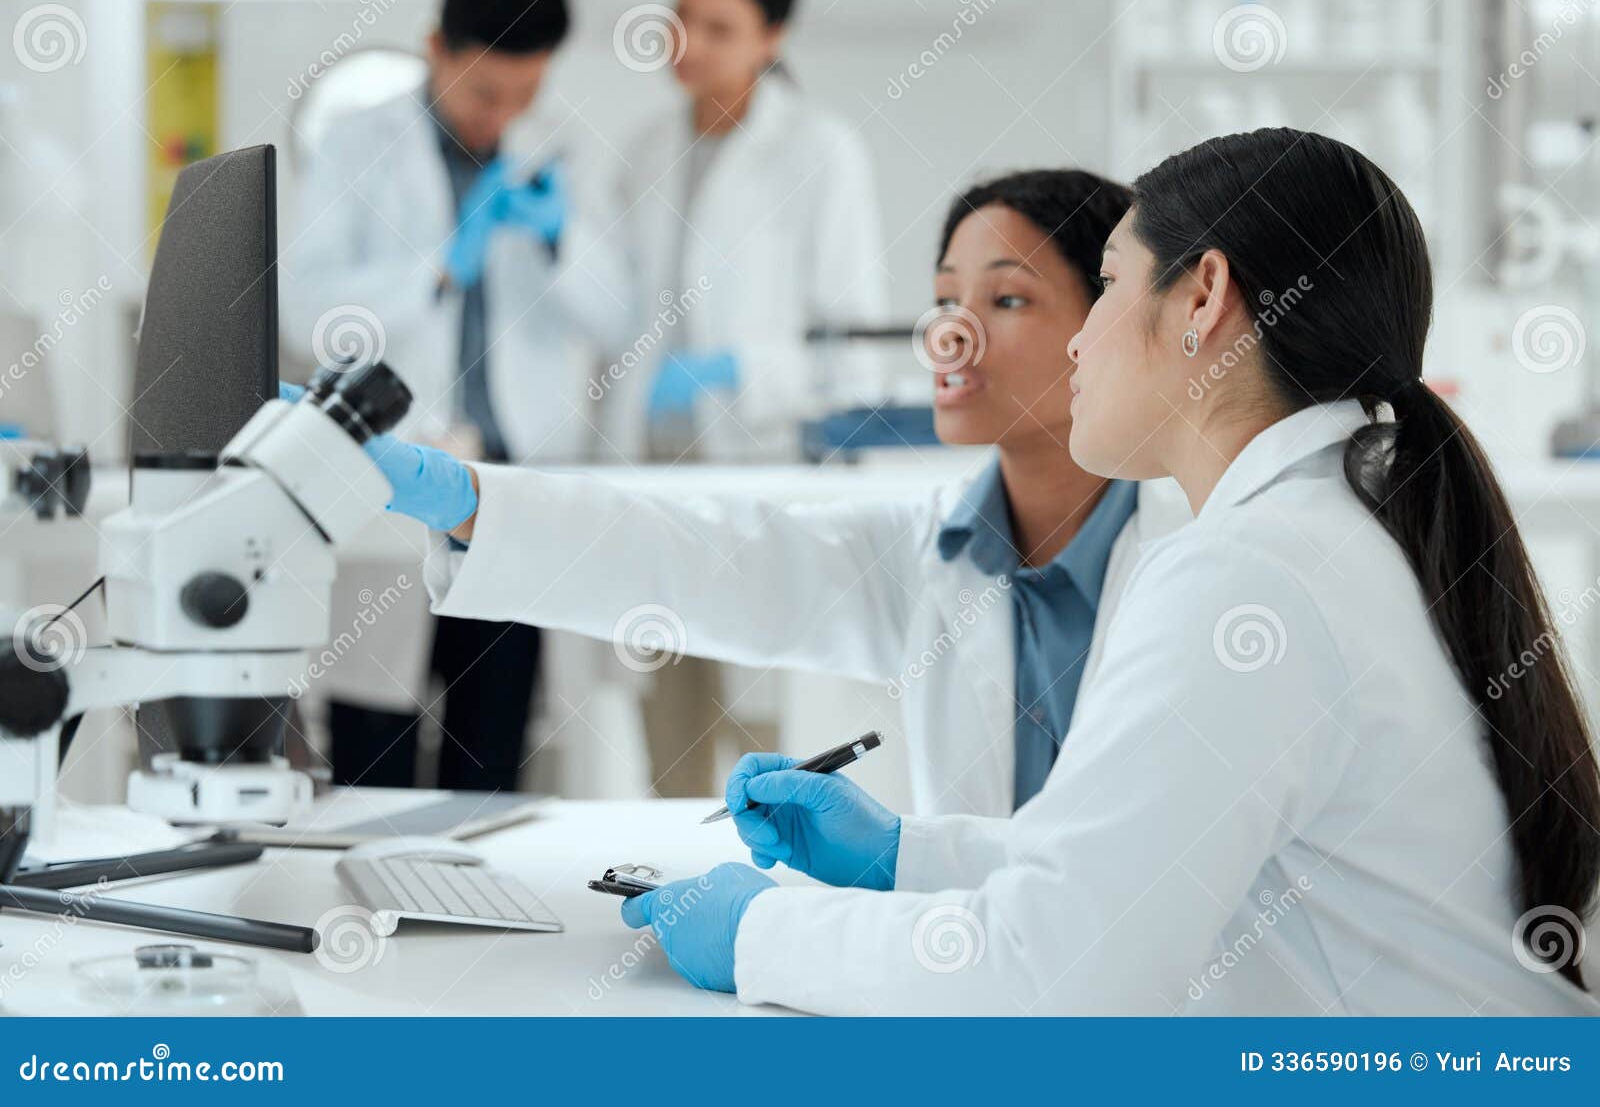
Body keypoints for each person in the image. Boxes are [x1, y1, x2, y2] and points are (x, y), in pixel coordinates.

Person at [612, 129, 1600, 1014]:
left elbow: (1054, 979)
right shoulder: (1345, 523)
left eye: (1112, 283)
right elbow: (1141, 868)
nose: (1083, 337)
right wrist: (904, 854)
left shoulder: (1248, 576)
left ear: (1202, 297)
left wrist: (755, 934)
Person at [281, 168, 1183, 815]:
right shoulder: (933, 555)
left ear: (1110, 316)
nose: (951, 335)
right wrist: (468, 498)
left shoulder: (1194, 556)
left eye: (1008, 301)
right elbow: (700, 555)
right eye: (946, 299)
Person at [281, 0, 631, 791]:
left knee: (492, 752)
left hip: (505, 491)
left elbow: (619, 314)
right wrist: (439, 271)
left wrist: (556, 241)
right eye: (483, 94)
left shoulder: (561, 158)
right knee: (375, 749)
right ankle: (374, 917)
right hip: (392, 485)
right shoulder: (357, 146)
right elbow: (306, 311)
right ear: (435, 47)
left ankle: (476, 912)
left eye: (522, 95)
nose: (499, 116)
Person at [609, 0, 890, 792]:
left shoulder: (820, 152)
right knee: (671, 744)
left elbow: (857, 359)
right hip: (657, 486)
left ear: (773, 39)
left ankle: (774, 919)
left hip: (763, 483)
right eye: (682, 17)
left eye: (721, 28)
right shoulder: (649, 151)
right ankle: (676, 913)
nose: (688, 45)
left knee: (770, 740)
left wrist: (737, 370)